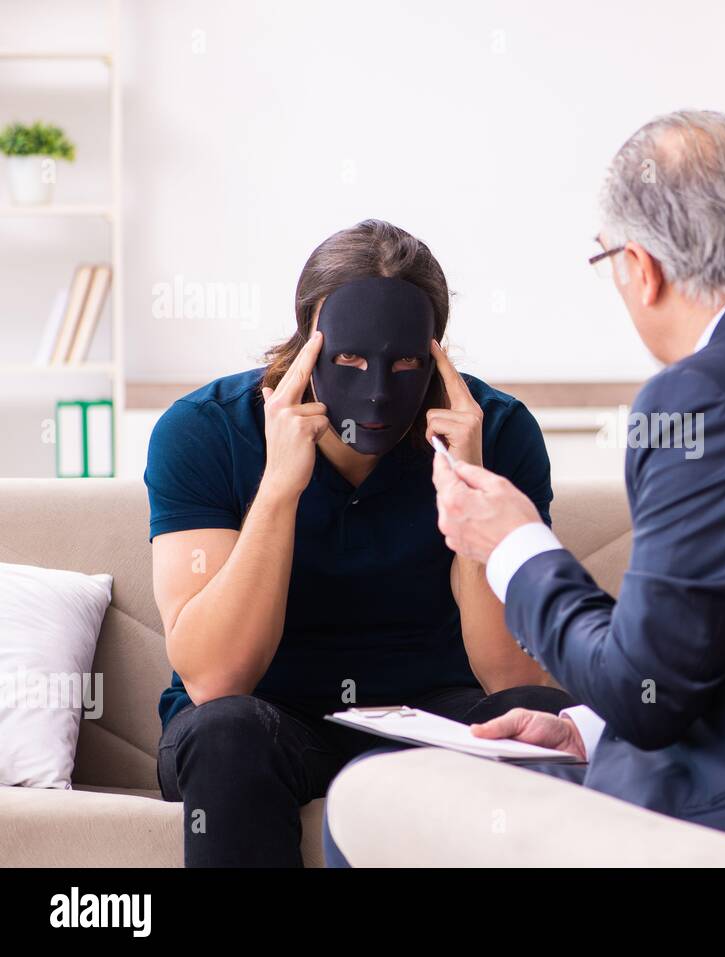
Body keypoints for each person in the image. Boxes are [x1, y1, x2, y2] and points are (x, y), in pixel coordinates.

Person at [323, 111, 725, 863]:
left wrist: (511, 543)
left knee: (366, 793)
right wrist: (583, 725)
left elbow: (645, 691)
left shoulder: (701, 399)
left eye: (606, 260)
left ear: (641, 266)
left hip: (710, 813)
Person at [145, 219, 572, 867]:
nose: (376, 393)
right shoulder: (203, 431)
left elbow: (509, 675)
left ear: (435, 355)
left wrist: (471, 486)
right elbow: (216, 679)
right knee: (227, 731)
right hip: (264, 719)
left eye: (404, 365)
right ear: (307, 345)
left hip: (432, 718)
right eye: (348, 361)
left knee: (541, 712)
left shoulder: (496, 432)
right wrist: (280, 488)